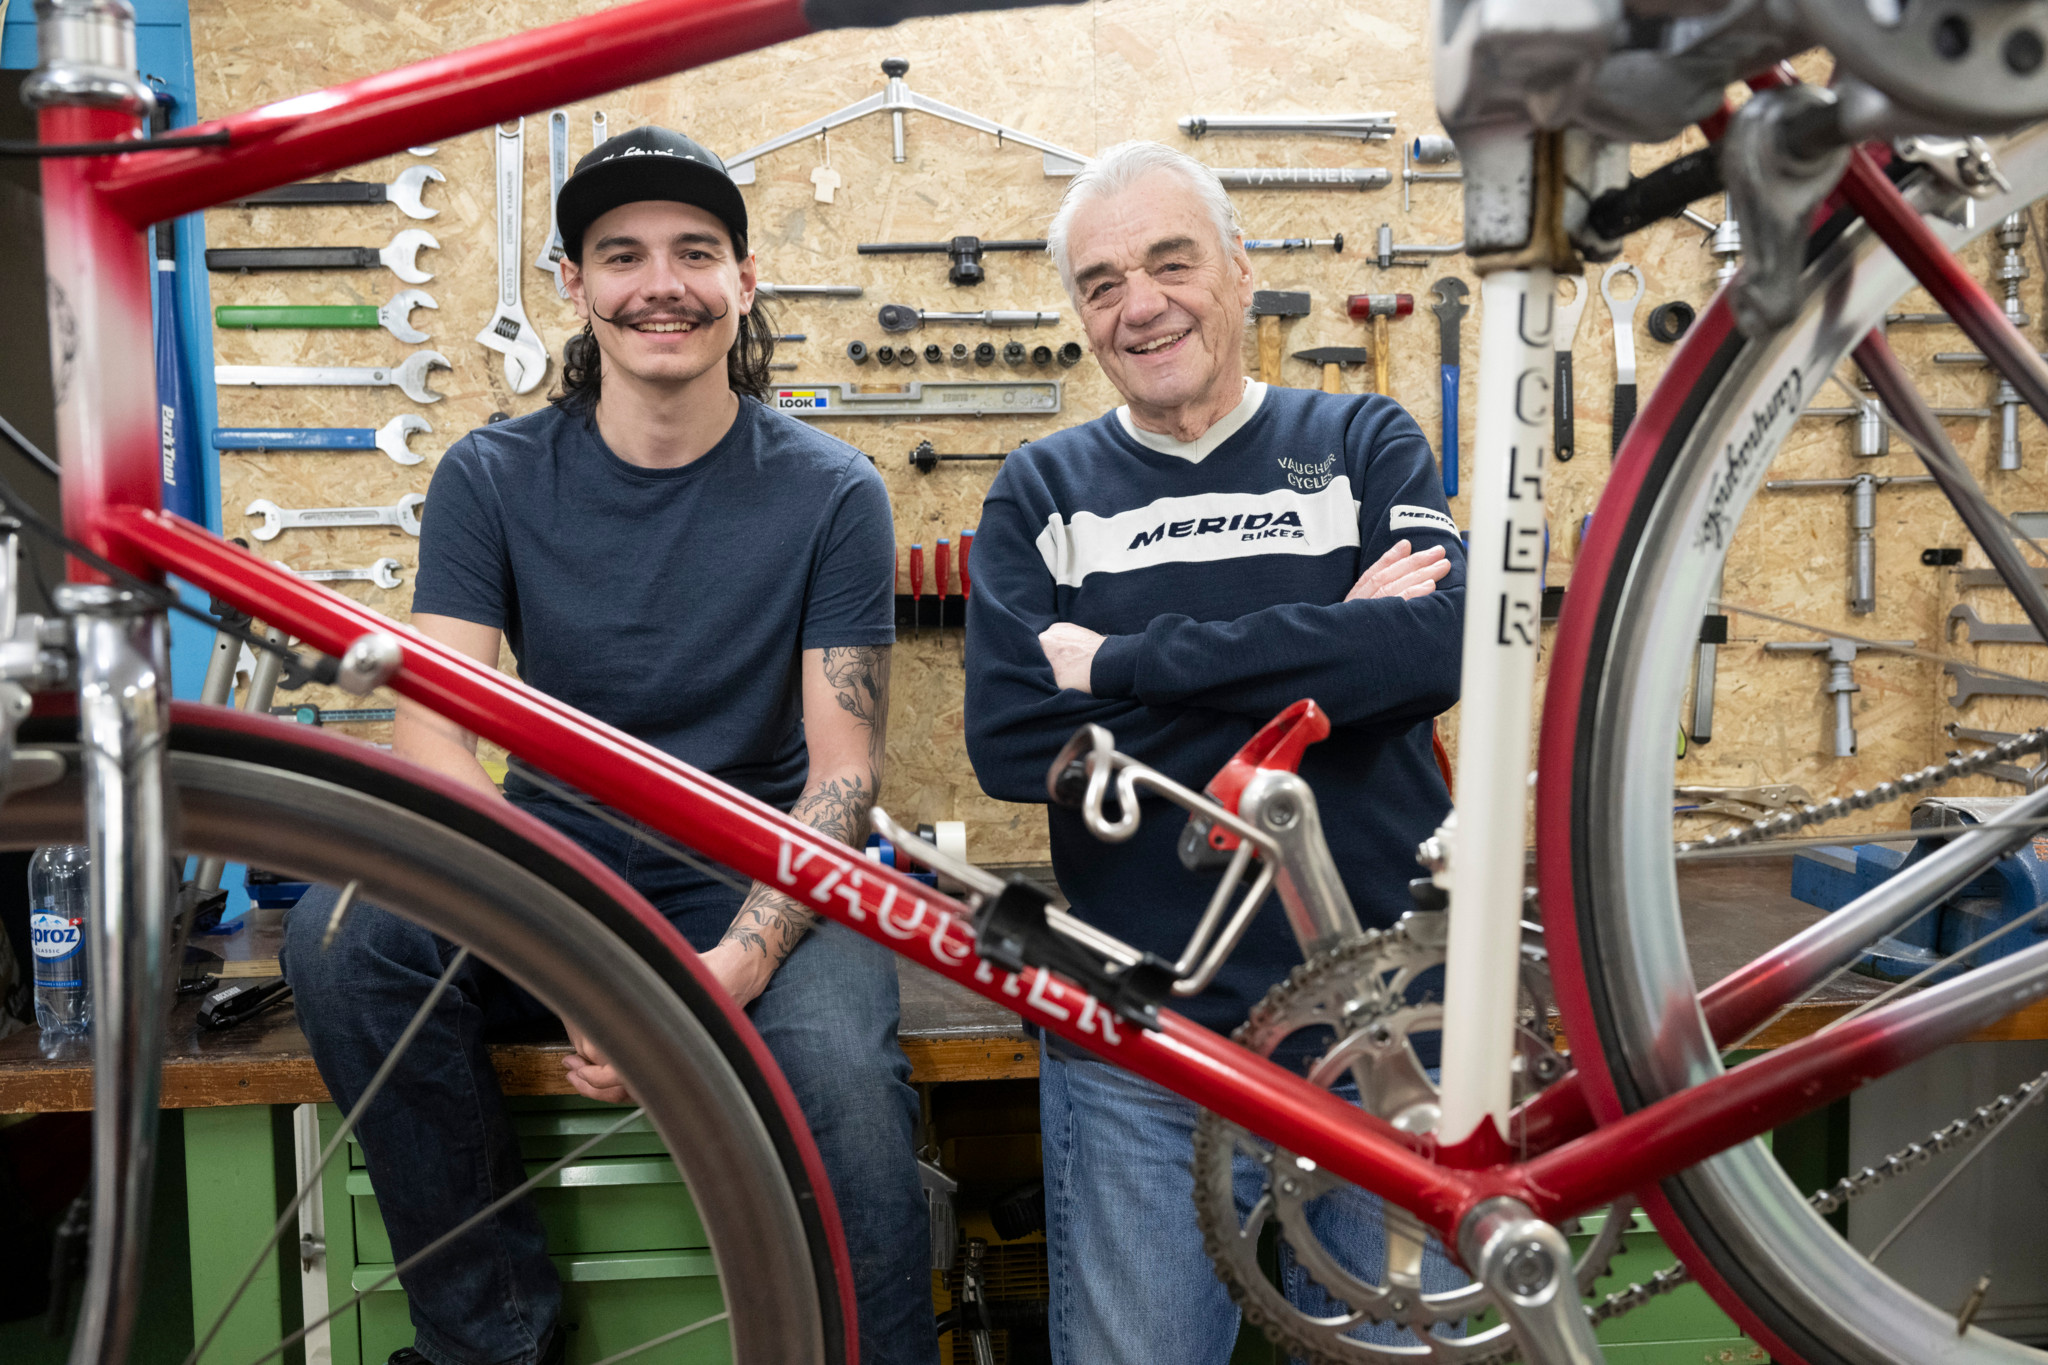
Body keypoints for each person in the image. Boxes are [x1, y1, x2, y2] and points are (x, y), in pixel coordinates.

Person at [283, 126, 938, 1365]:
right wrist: (587, 966)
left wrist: (727, 969)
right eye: (622, 254)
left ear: (743, 279)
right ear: (574, 284)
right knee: (344, 938)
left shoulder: (834, 491)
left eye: (694, 251)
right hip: (551, 863)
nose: (661, 284)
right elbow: (432, 735)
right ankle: (491, 1341)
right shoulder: (489, 476)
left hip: (755, 865)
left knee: (847, 1087)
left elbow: (843, 776)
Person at [962, 140, 1468, 1362]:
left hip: (1383, 1030)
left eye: (1169, 262)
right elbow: (1015, 739)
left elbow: (1436, 649)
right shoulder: (1040, 490)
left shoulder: (1362, 440)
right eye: (1100, 284)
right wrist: (1333, 642)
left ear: (1238, 271)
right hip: (1145, 1049)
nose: (1138, 305)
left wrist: (1120, 665)